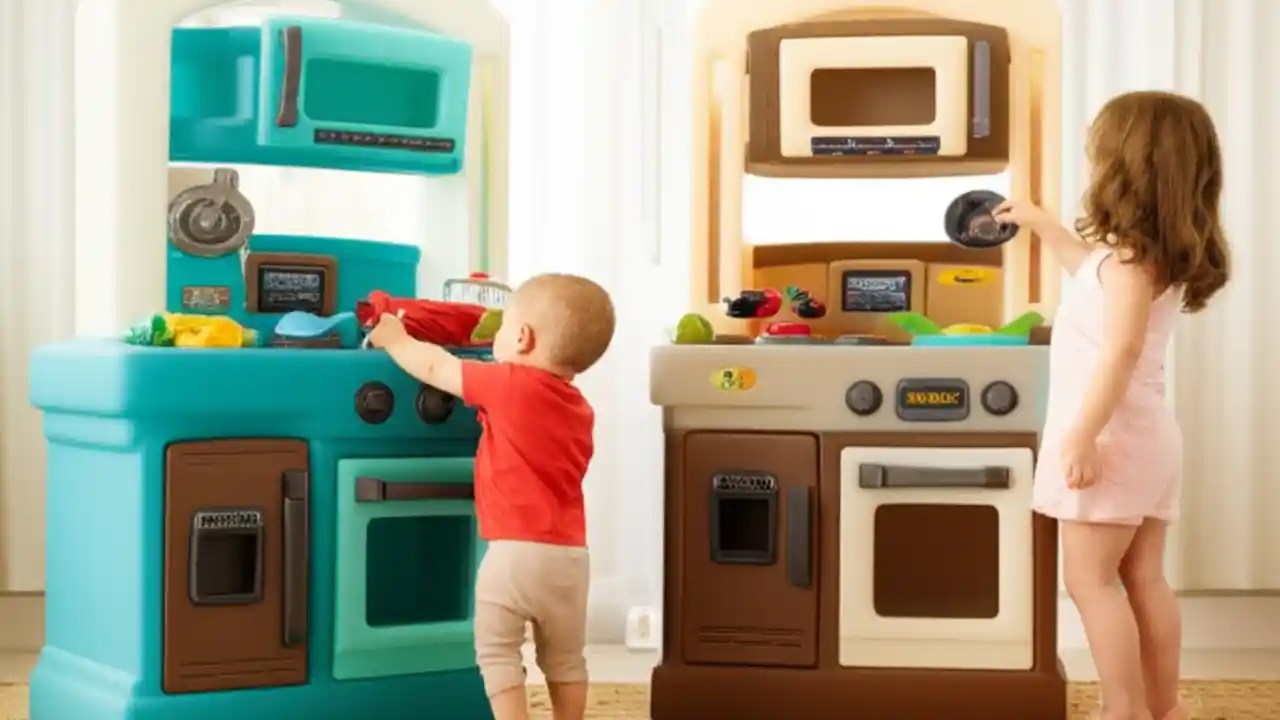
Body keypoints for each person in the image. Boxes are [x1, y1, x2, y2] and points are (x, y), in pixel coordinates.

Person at [994, 91, 1230, 720]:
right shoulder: (1139, 256)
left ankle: (1121, 711)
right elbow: (1092, 281)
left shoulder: (1128, 262)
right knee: (1143, 578)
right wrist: (1046, 226)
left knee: (1090, 582)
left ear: (1123, 163)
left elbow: (1118, 350)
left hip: (1112, 439)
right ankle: (1163, 708)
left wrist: (1080, 436)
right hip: (1147, 439)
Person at [369, 273, 616, 720]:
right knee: (565, 658)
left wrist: (394, 336)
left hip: (514, 555)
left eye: (503, 328)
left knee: (498, 652)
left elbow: (434, 367)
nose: (495, 337)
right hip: (570, 559)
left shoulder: (507, 384)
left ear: (522, 338)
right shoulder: (580, 408)